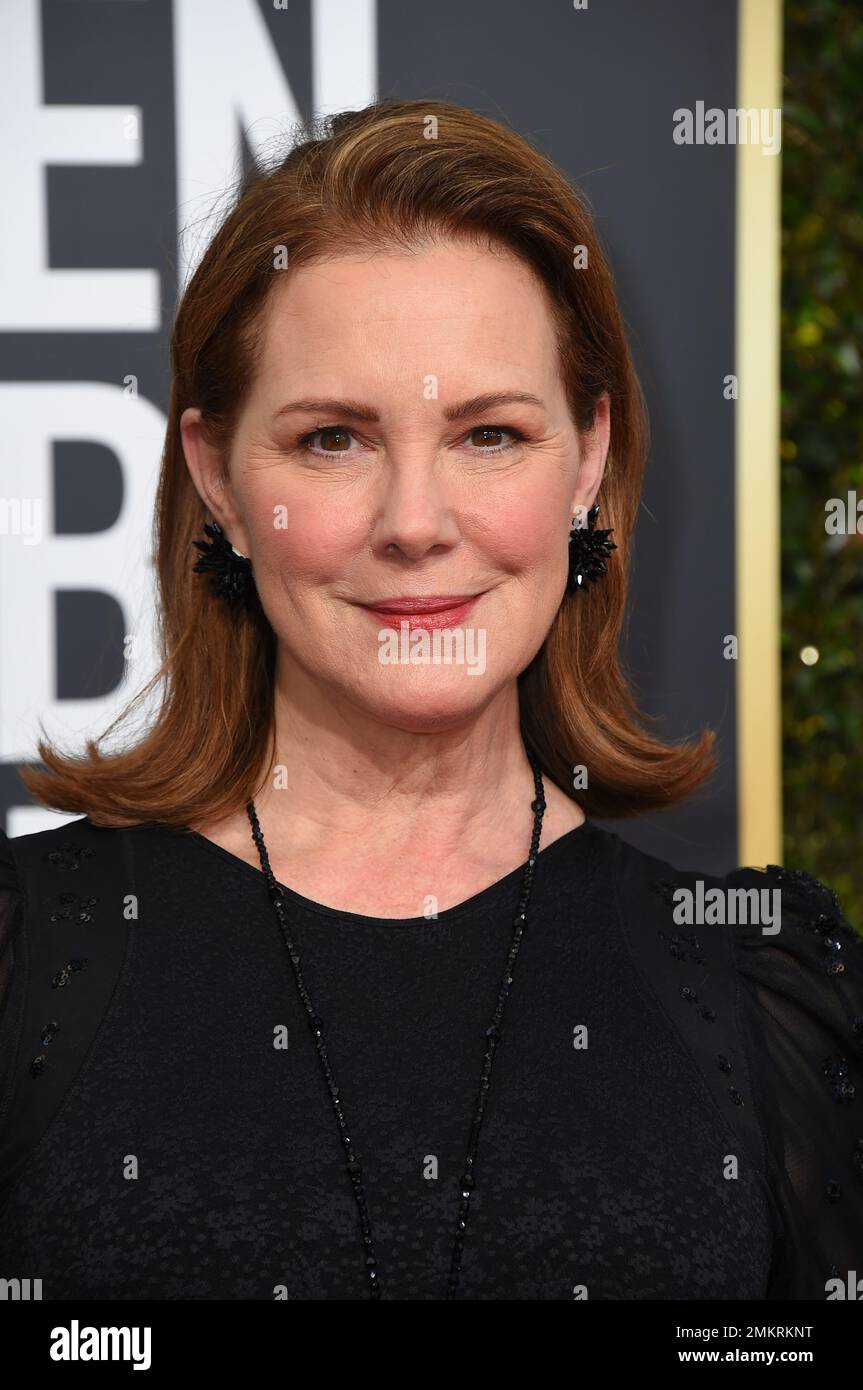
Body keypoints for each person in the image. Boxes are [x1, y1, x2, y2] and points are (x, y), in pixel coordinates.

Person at [0, 99, 861, 1301]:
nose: (415, 523)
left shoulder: (758, 981)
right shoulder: (24, 957)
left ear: (588, 457)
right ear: (217, 480)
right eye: (333, 441)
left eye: (490, 435)